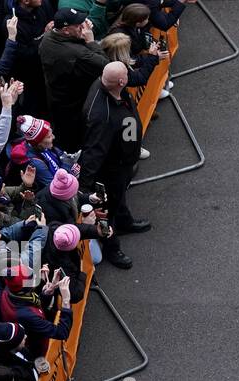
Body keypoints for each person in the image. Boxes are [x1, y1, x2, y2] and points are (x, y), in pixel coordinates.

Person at [79, 61, 147, 271]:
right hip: (112, 169)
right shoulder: (102, 114)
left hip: (124, 162)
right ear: (121, 81)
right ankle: (111, 247)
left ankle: (125, 221)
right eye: (127, 74)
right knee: (107, 209)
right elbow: (93, 151)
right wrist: (86, 187)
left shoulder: (113, 89)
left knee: (119, 198)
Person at [38, 7, 106, 154]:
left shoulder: (48, 37)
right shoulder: (77, 53)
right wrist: (90, 41)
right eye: (78, 25)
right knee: (77, 139)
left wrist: (79, 36)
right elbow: (106, 65)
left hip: (56, 97)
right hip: (74, 103)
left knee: (64, 134)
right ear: (66, 30)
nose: (83, 27)